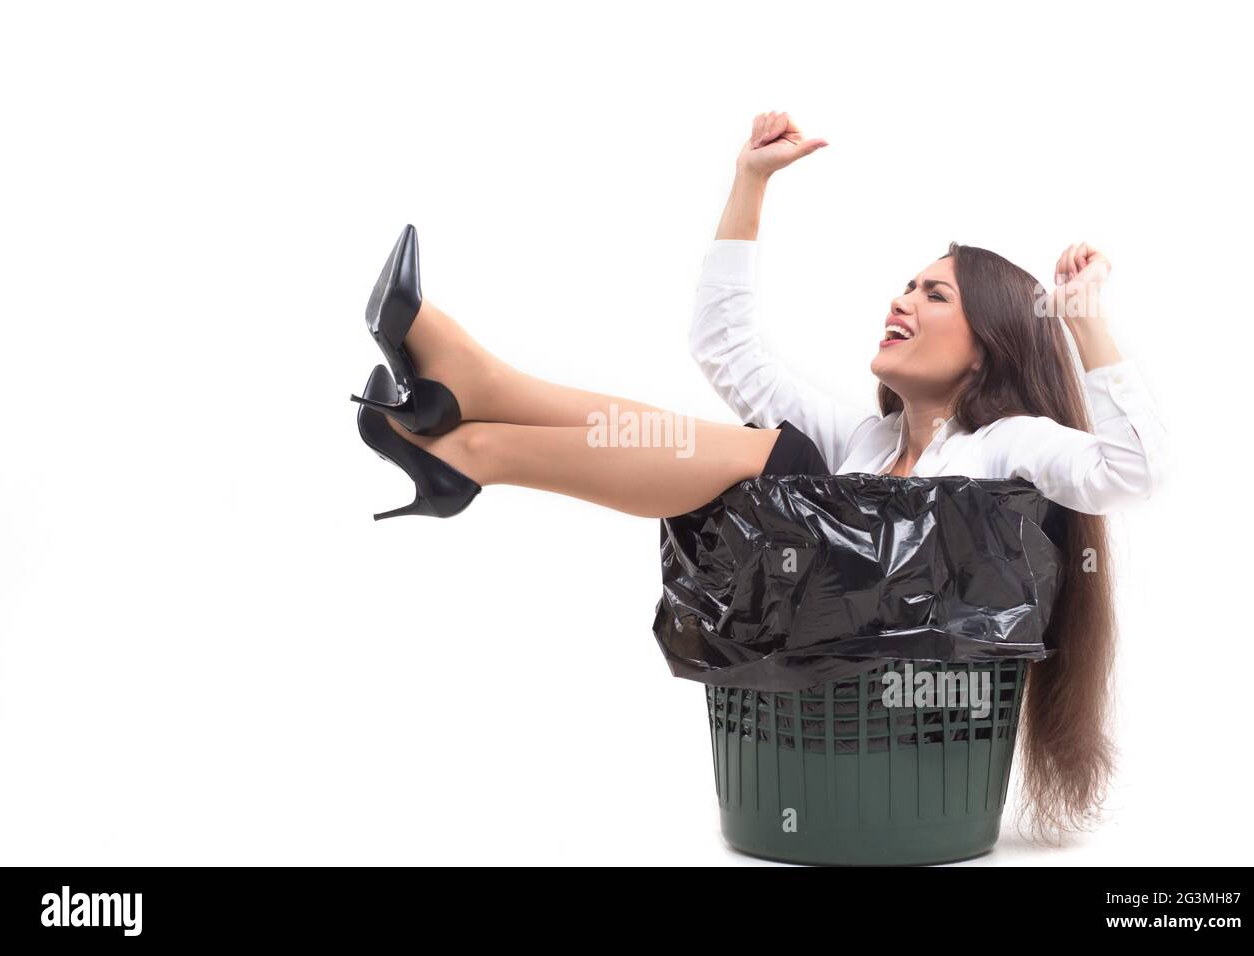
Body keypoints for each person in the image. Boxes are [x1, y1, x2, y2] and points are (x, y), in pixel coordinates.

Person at [350, 110, 1167, 838]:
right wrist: (750, 183)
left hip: (906, 749)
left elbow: (1132, 471)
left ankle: (468, 443)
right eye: (906, 285)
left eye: (936, 295)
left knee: (779, 458)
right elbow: (727, 348)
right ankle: (478, 408)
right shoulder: (864, 440)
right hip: (802, 739)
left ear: (988, 341)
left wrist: (1085, 321)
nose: (903, 300)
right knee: (781, 456)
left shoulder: (1006, 445)